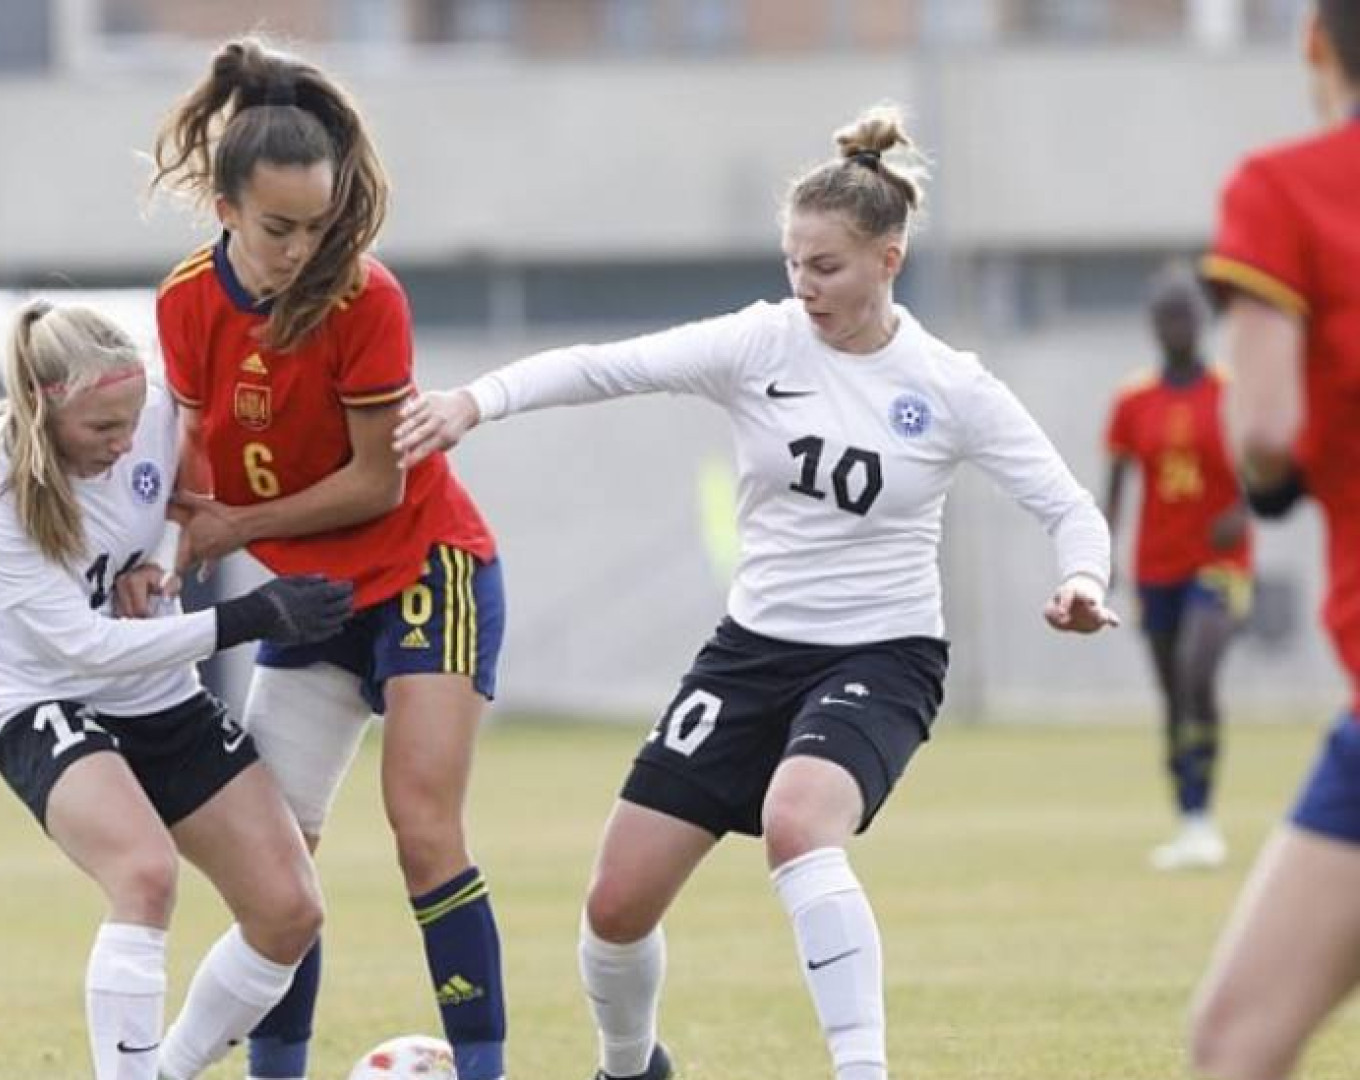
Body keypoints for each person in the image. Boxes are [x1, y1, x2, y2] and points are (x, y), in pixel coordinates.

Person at [396, 104, 1118, 1080]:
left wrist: (1082, 579)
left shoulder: (952, 387)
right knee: (614, 905)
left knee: (796, 820)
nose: (803, 285)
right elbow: (604, 367)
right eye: (793, 262)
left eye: (826, 266)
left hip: (884, 655)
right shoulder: (761, 344)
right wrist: (472, 402)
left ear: (888, 260)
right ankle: (629, 1067)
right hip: (750, 652)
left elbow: (1070, 507)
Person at [149, 37, 508, 1080]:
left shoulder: (366, 298)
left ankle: (486, 1071)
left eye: (319, 223)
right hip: (310, 600)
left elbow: (377, 483)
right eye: (277, 228)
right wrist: (168, 541)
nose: (303, 248)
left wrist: (229, 532)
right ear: (223, 208)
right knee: (279, 871)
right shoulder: (184, 304)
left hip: (422, 570)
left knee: (423, 832)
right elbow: (198, 447)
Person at [0, 300, 356, 1080]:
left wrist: (162, 558)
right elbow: (87, 648)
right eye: (103, 430)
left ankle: (165, 1071)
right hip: (48, 702)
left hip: (161, 691)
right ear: (42, 408)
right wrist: (251, 616)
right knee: (144, 874)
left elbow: (185, 497)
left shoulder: (161, 410)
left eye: (135, 421)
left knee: (288, 912)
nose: (128, 441)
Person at [1187, 3, 1360, 1077]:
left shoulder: (1288, 185)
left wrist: (1273, 473)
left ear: (1314, 40)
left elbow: (1260, 431)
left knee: (1234, 1044)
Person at [1102, 268, 1252, 871]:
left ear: (1203, 320)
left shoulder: (1230, 392)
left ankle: (1205, 815)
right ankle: (1189, 817)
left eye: (1186, 315)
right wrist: (1099, 552)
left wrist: (1243, 512)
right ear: (1153, 326)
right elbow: (1114, 488)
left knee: (1197, 671)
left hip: (1218, 563)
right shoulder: (1133, 401)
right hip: (1156, 565)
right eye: (1166, 317)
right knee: (1171, 694)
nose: (1177, 327)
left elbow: (1261, 470)